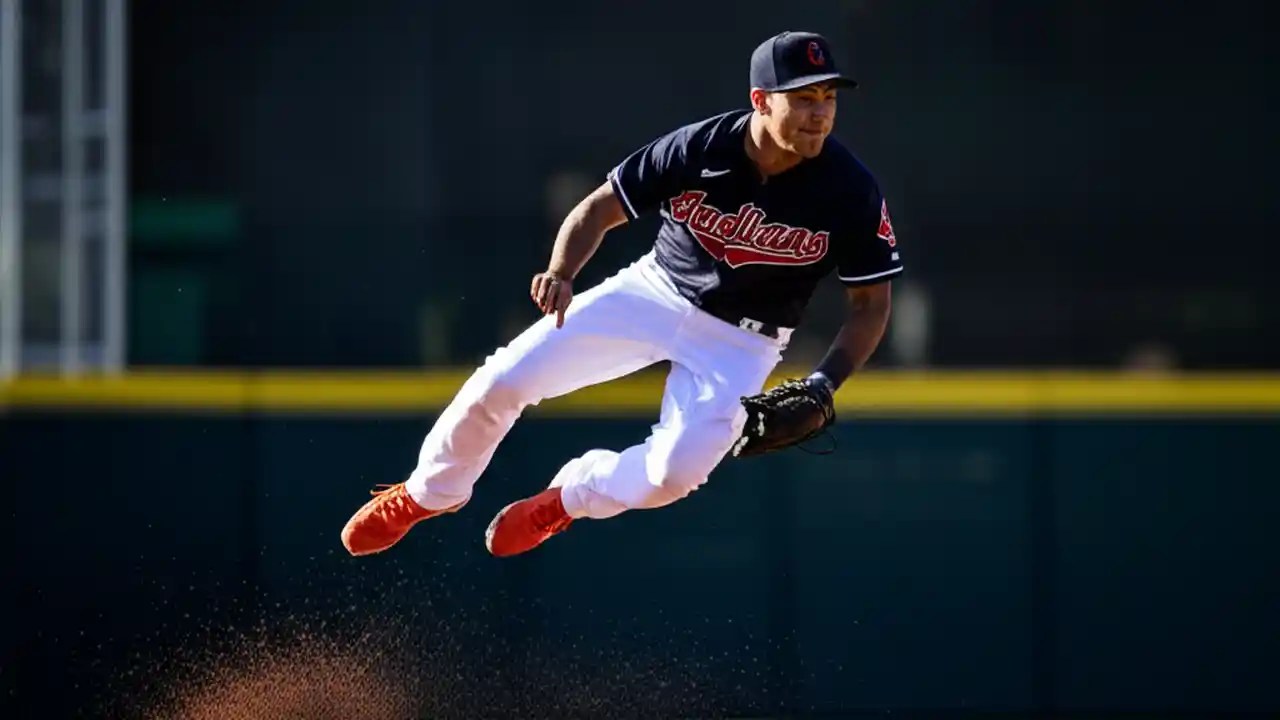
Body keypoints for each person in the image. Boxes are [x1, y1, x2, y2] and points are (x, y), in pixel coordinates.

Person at [340, 30, 903, 559]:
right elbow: (599, 208)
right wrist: (562, 270)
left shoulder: (850, 190)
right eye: (803, 98)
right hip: (656, 291)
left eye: (828, 97)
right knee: (504, 380)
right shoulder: (700, 147)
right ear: (760, 100)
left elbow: (871, 306)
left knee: (672, 477)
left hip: (744, 340)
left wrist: (824, 382)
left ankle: (568, 498)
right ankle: (430, 493)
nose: (820, 113)